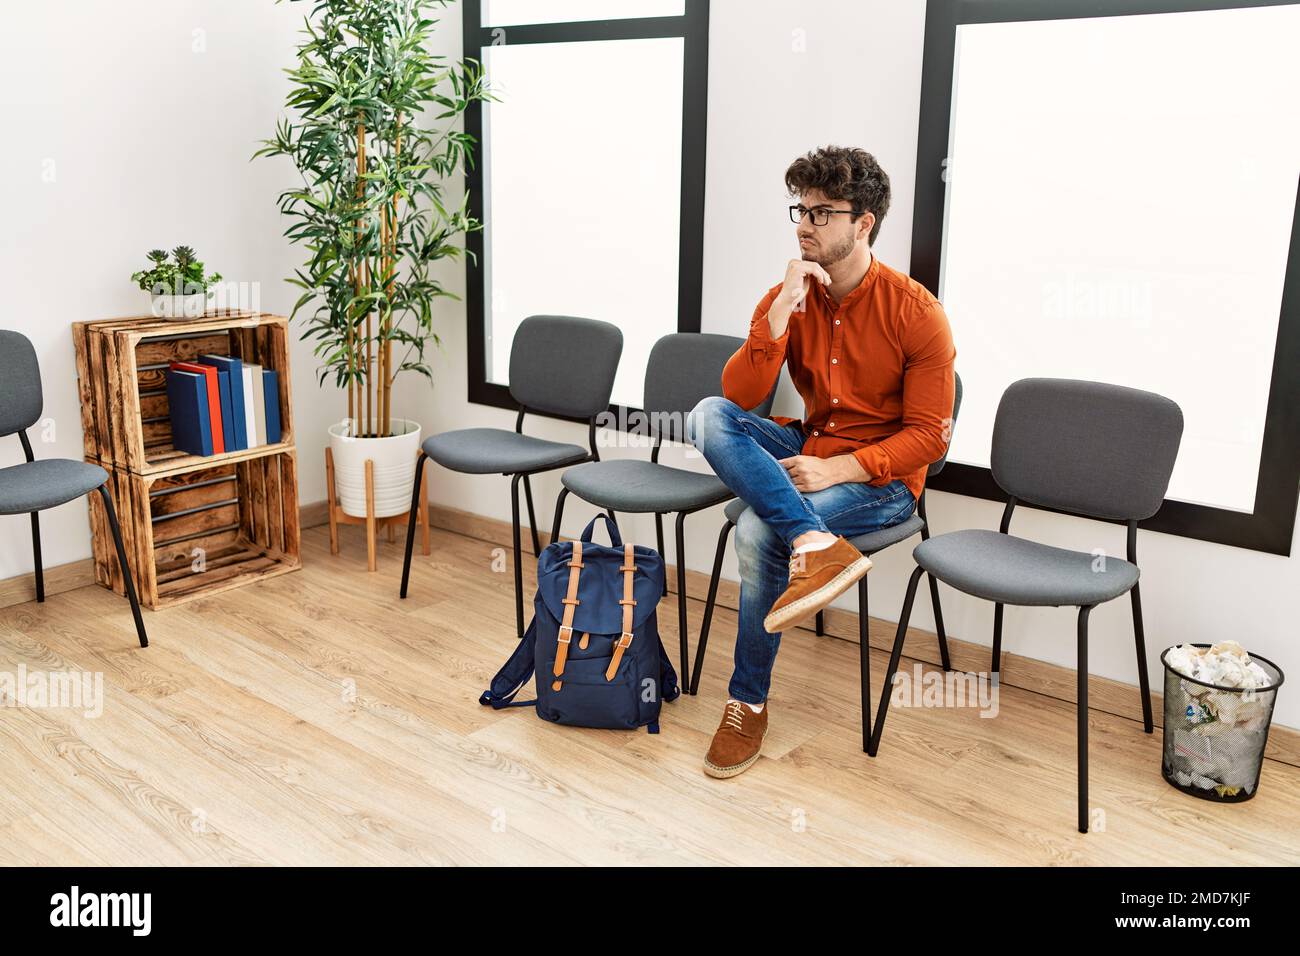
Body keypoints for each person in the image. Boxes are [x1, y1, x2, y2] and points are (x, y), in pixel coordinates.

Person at [686, 145, 957, 779]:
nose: (805, 225)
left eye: (824, 213)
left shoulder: (918, 314)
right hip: (809, 447)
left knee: (756, 529)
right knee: (705, 414)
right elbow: (740, 397)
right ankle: (812, 538)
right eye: (800, 210)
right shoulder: (787, 293)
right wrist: (779, 315)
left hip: (880, 481)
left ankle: (746, 702)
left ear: (864, 224)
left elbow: (929, 438)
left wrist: (838, 470)